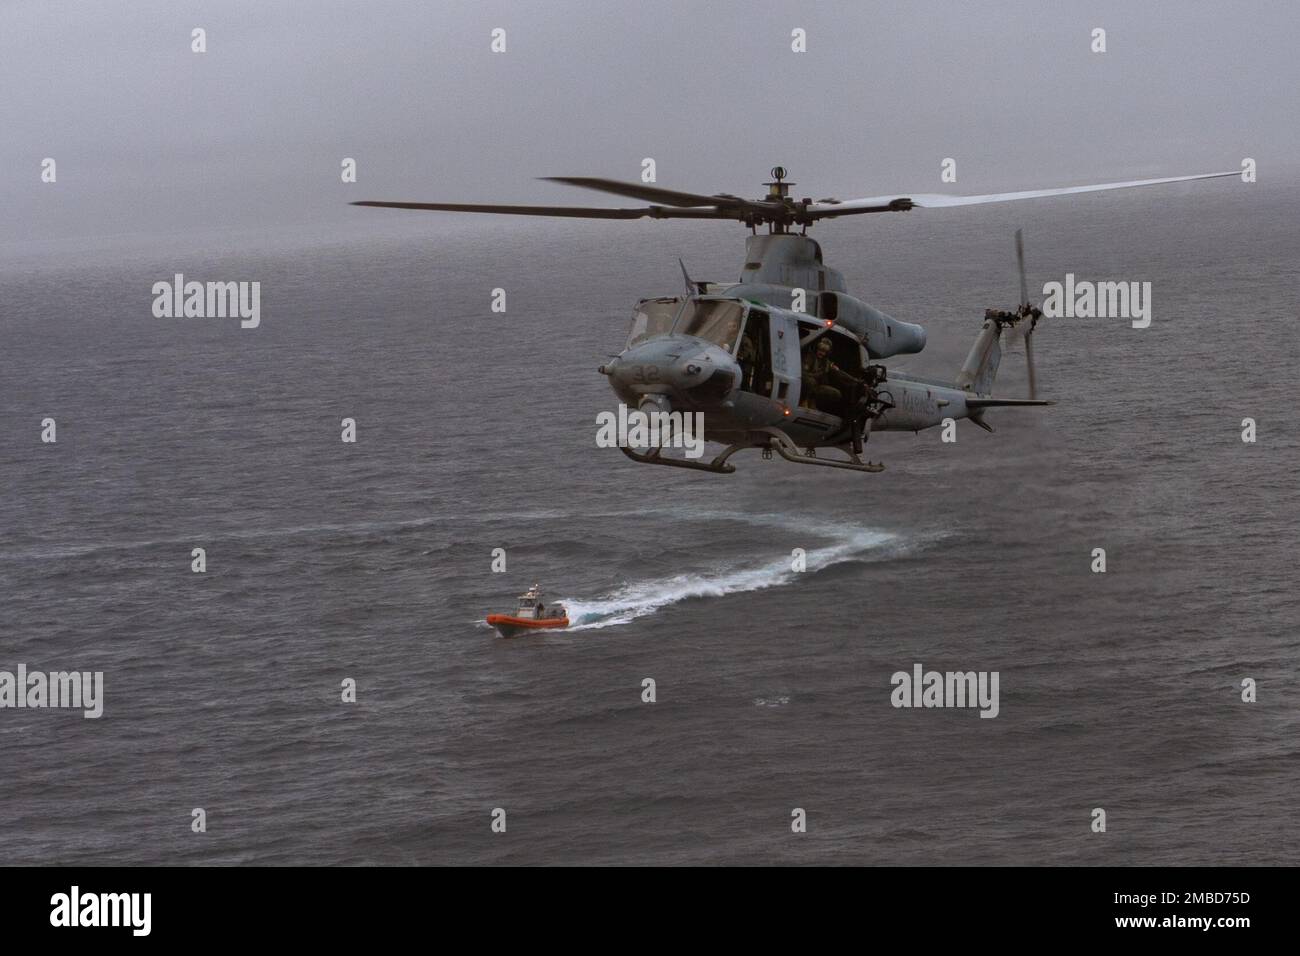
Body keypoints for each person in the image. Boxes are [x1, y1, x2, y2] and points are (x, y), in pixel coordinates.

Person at [801, 337, 855, 412]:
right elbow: (804, 374)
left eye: (824, 351)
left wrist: (854, 380)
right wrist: (819, 375)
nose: (822, 353)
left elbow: (840, 372)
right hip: (805, 383)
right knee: (810, 381)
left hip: (817, 386)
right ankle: (805, 400)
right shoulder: (810, 358)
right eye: (820, 350)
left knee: (836, 394)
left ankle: (814, 402)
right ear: (817, 349)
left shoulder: (826, 362)